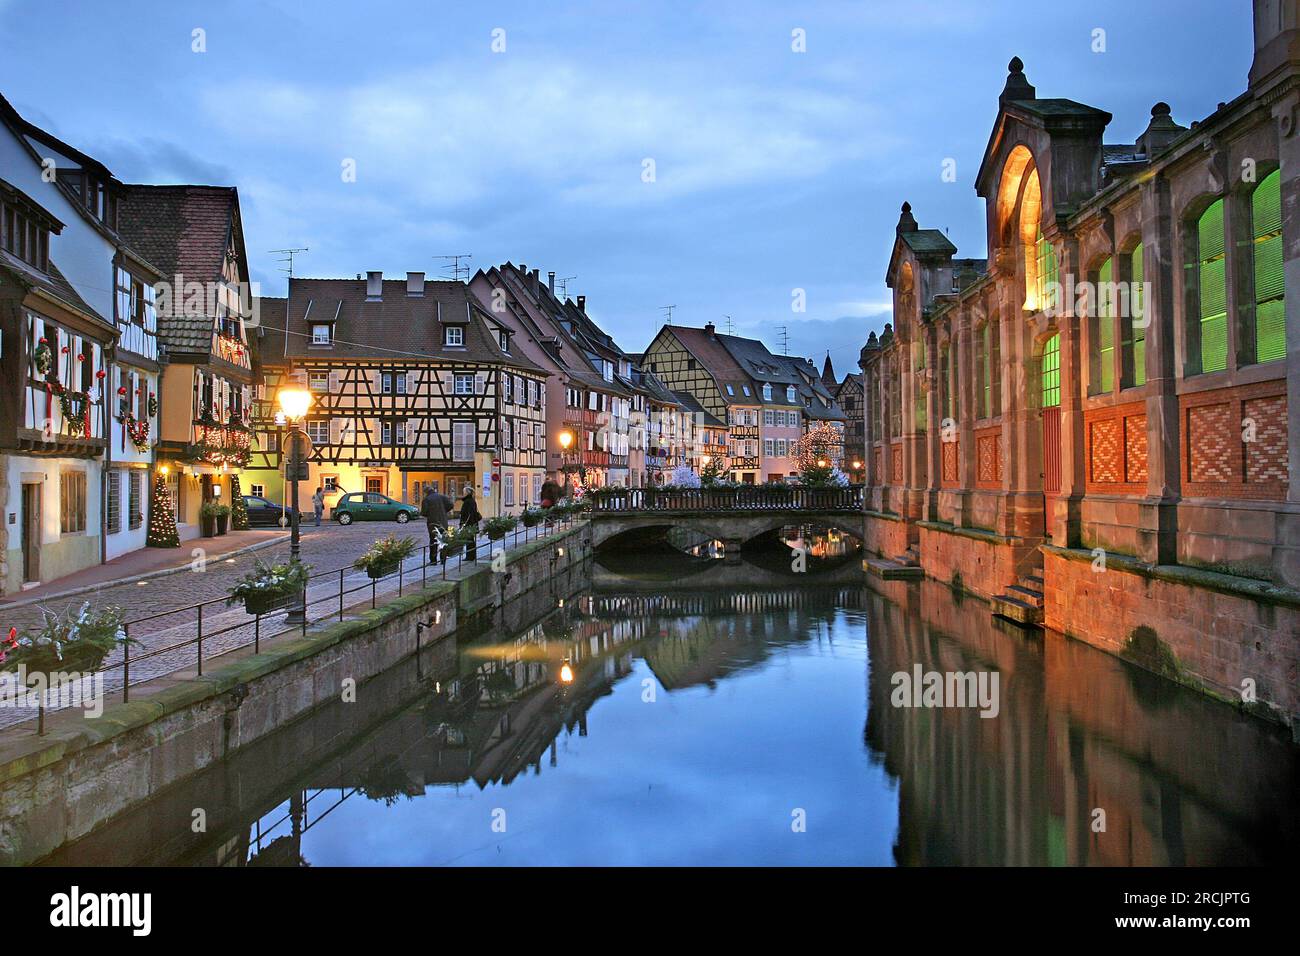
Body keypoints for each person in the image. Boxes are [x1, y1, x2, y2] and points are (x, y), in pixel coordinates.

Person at [420, 486, 454, 560]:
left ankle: (433, 560)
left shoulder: (426, 499)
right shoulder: (442, 496)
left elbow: (424, 512)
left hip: (433, 523)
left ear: (426, 492)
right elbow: (451, 505)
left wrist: (429, 514)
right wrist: (444, 511)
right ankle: (443, 558)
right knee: (443, 540)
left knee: (433, 541)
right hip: (443, 522)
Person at [458, 487, 482, 562]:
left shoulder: (468, 501)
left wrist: (464, 524)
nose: (463, 493)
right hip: (472, 523)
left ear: (467, 493)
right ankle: (472, 555)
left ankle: (470, 556)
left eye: (464, 492)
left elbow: (468, 514)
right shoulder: (472, 501)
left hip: (469, 524)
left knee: (469, 540)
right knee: (471, 540)